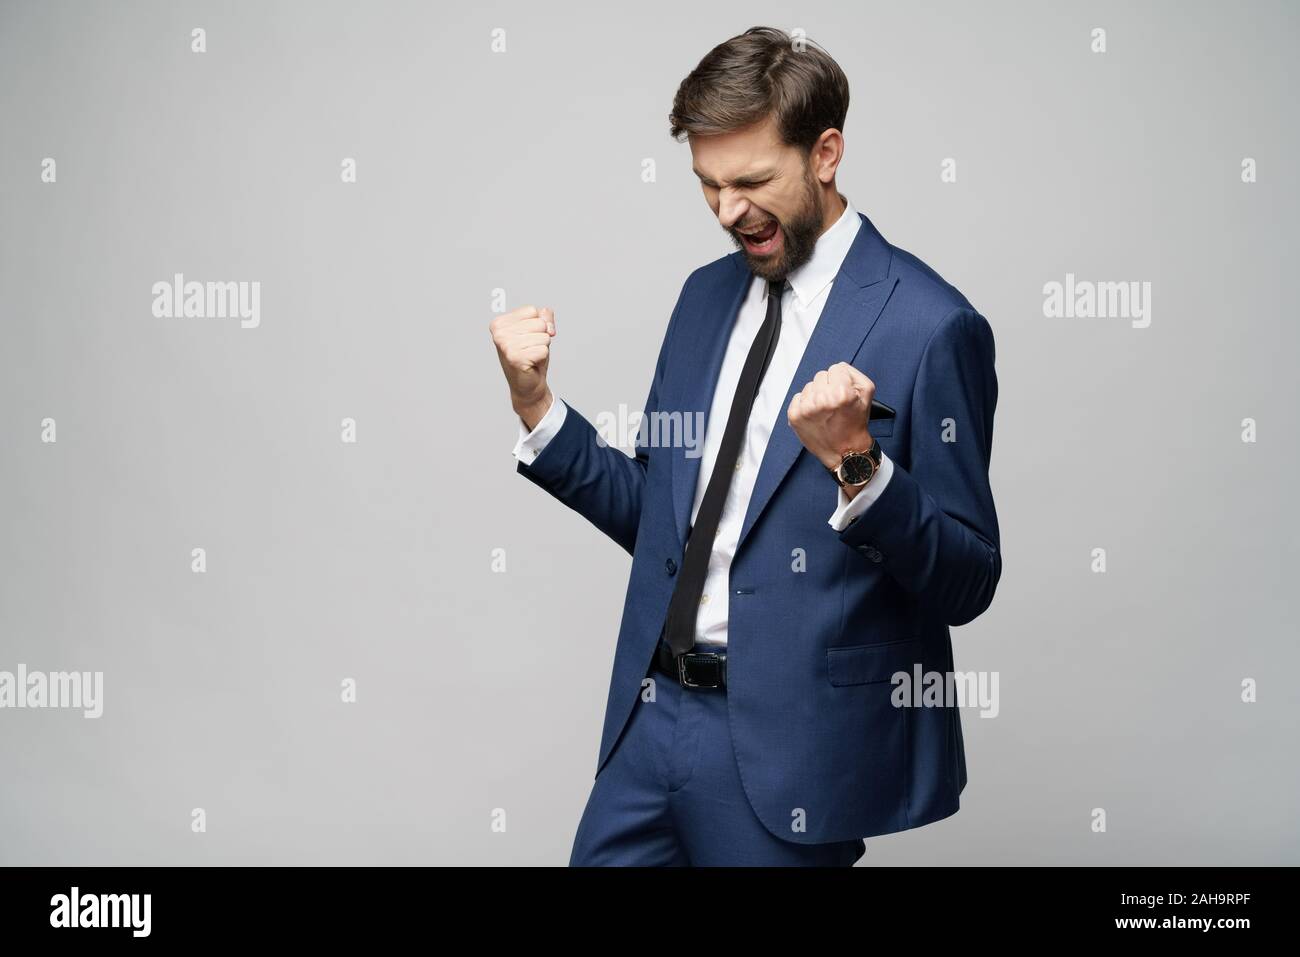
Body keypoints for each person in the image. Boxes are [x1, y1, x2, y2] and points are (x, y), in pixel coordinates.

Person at [489, 25, 1001, 866]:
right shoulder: (702, 298)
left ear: (826, 153)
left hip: (792, 754)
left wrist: (858, 467)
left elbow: (968, 577)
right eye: (708, 185)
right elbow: (658, 521)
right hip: (649, 725)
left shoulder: (931, 324)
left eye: (754, 180)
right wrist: (537, 404)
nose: (730, 212)